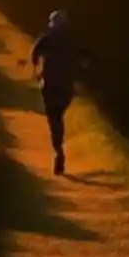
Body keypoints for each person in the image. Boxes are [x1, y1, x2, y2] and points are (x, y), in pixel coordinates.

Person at [31, 10, 90, 176]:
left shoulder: (46, 40)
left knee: (54, 119)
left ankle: (58, 150)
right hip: (66, 87)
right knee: (58, 115)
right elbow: (85, 59)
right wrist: (79, 75)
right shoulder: (73, 41)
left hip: (49, 85)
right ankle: (59, 147)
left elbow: (34, 54)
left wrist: (36, 72)